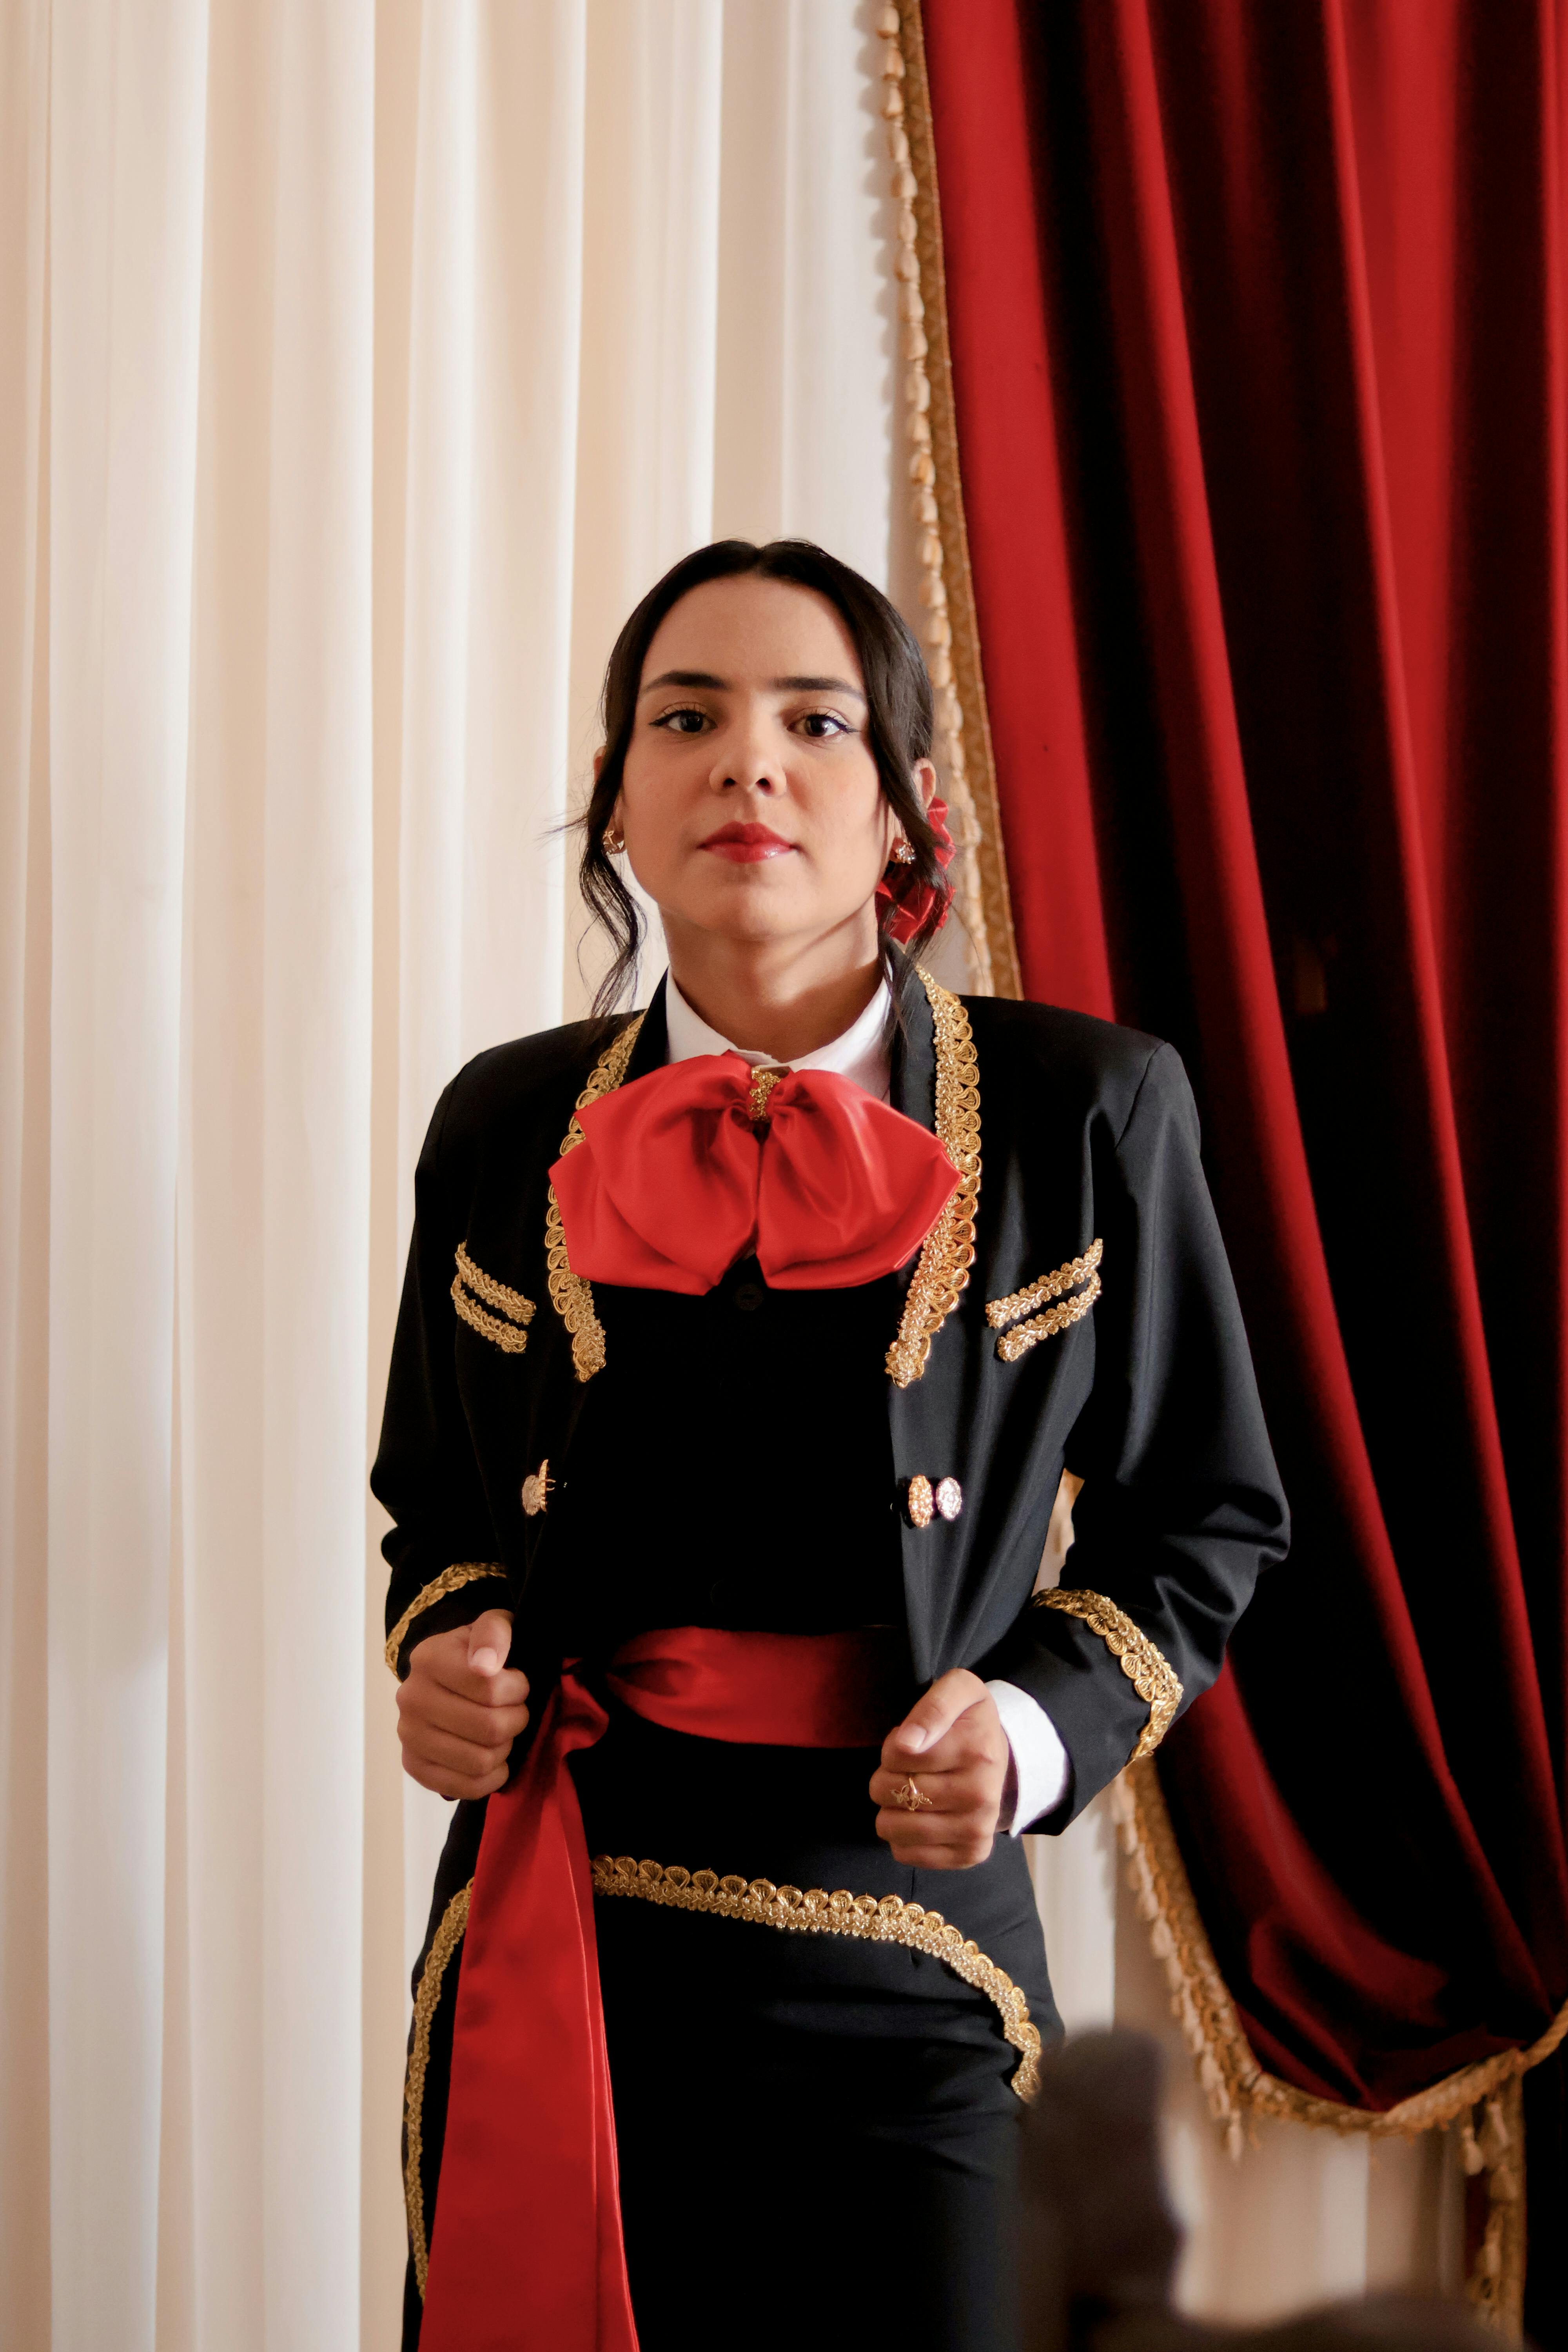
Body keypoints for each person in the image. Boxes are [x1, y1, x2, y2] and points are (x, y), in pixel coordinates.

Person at [372, 538, 1289, 2352]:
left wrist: (1029, 1725)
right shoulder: (501, 1121)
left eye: (814, 720)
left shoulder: (1089, 1108)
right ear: (619, 807)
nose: (747, 763)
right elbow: (441, 1515)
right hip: (566, 1946)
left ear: (905, 813)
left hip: (916, 1953)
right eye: (684, 719)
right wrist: (445, 1655)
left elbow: (1205, 1518)